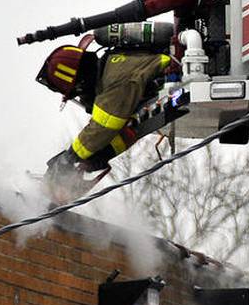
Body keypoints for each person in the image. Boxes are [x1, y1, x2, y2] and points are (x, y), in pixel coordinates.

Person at [36, 35, 172, 201]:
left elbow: (103, 126)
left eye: (77, 93)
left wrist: (68, 158)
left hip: (176, 80)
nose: (83, 98)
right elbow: (131, 127)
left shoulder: (113, 80)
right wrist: (102, 154)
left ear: (80, 82)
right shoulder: (111, 69)